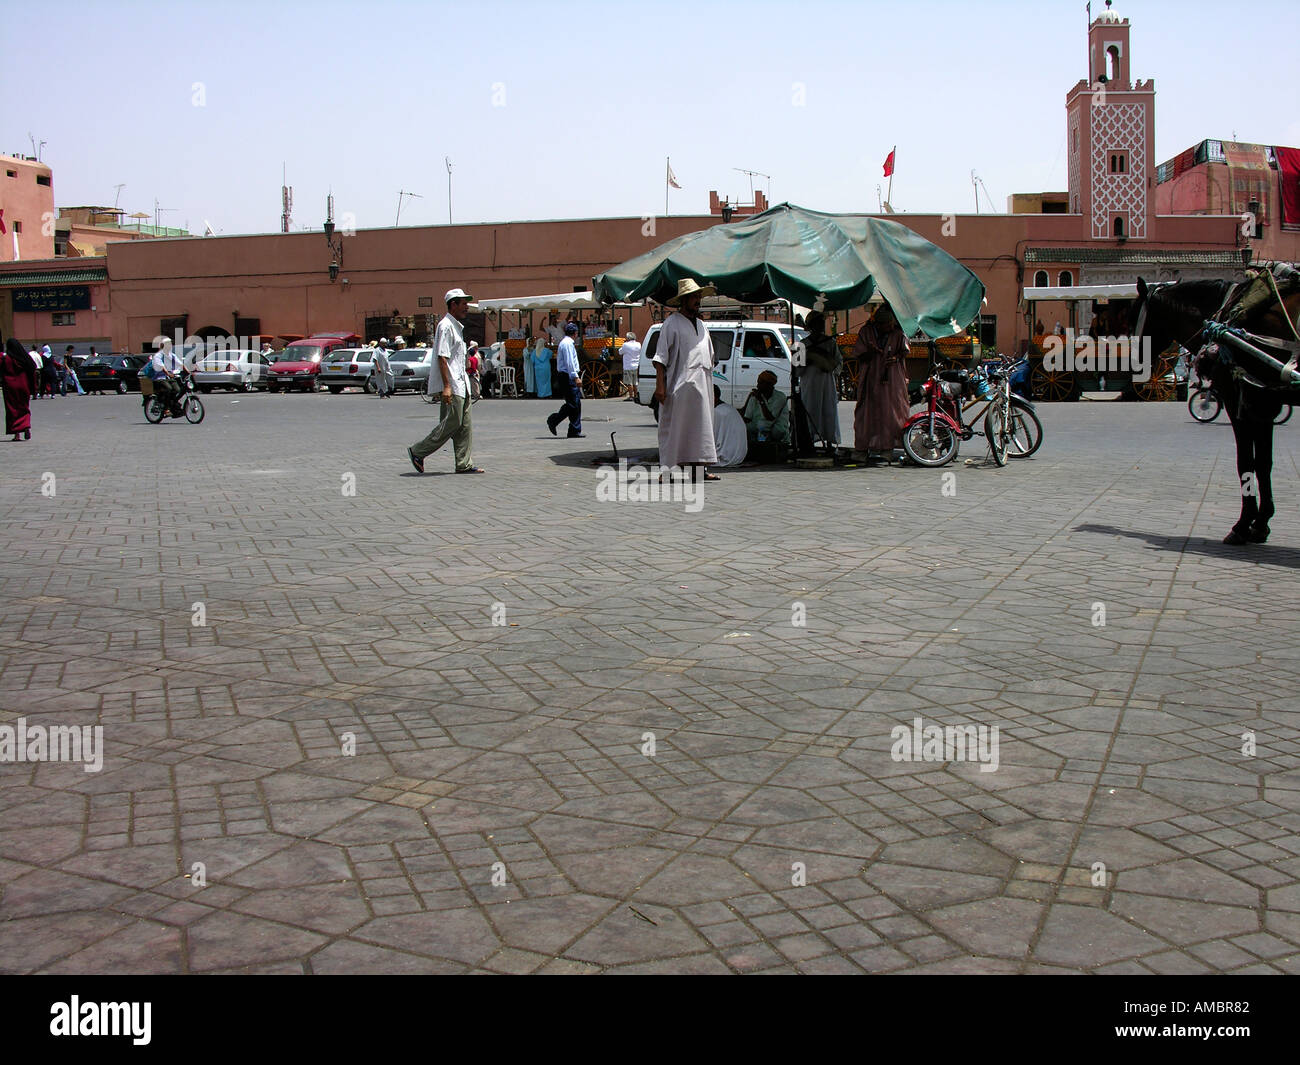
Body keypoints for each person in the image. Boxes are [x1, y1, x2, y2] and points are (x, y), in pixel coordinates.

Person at [407, 288, 484, 474]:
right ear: (453, 305)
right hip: (453, 385)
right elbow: (443, 357)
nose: (466, 307)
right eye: (463, 303)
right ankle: (418, 451)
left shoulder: (456, 326)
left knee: (465, 426)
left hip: (462, 382)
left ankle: (463, 463)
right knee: (451, 423)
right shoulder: (445, 326)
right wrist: (447, 387)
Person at [653, 278, 719, 480]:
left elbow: (709, 357)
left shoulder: (701, 325)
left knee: (700, 429)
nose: (698, 300)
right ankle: (668, 470)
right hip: (679, 385)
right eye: (694, 297)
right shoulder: (671, 323)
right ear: (683, 300)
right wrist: (660, 386)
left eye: (699, 296)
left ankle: (699, 470)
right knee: (674, 428)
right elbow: (660, 358)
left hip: (702, 385)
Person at [851, 301, 910, 463]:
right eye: (886, 325)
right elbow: (859, 354)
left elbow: (903, 352)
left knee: (891, 412)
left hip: (892, 379)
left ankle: (888, 448)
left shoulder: (898, 334)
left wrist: (895, 358)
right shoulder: (866, 332)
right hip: (871, 377)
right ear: (879, 324)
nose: (889, 327)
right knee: (867, 412)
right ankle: (863, 449)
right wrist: (872, 352)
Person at [799, 310, 841, 450]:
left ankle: (829, 442)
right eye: (817, 323)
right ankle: (809, 440)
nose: (821, 325)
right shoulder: (802, 344)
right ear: (811, 325)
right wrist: (809, 360)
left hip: (826, 383)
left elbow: (838, 363)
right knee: (810, 410)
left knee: (828, 411)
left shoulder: (830, 343)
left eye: (822, 322)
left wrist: (828, 364)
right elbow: (796, 368)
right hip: (809, 383)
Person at [742, 370, 791, 462]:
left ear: (769, 385)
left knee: (764, 426)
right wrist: (749, 399)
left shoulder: (780, 397)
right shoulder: (755, 397)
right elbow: (747, 418)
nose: (757, 386)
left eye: (760, 383)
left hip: (776, 429)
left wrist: (761, 400)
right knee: (746, 427)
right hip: (759, 428)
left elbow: (770, 417)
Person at [546, 323, 584, 437]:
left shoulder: (566, 343)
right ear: (575, 333)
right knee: (573, 404)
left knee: (574, 403)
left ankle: (574, 429)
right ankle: (555, 420)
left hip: (566, 375)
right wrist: (575, 376)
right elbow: (569, 362)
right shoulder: (567, 344)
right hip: (567, 376)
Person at [2, 338, 37, 440]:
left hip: (10, 387)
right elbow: (32, 370)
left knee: (12, 409)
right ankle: (25, 426)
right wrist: (33, 388)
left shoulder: (6, 359)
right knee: (24, 407)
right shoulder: (24, 358)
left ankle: (17, 434)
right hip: (23, 386)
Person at [712, 385, 748, 467]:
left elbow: (710, 439)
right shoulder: (729, 408)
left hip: (725, 457)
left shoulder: (717, 412)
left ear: (712, 397)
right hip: (739, 456)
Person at [150, 343, 186, 417]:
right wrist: (168, 373)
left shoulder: (171, 355)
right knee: (168, 388)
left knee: (177, 389)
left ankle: (171, 403)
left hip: (168, 378)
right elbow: (162, 367)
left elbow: (180, 364)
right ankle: (166, 409)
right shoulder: (158, 356)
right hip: (158, 378)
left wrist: (189, 372)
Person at [620, 330, 641, 400]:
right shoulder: (638, 344)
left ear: (628, 338)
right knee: (635, 382)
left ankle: (631, 396)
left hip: (628, 366)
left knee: (629, 382)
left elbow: (620, 352)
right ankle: (636, 395)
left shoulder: (625, 345)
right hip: (636, 365)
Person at [532, 334, 553, 399]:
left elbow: (532, 360)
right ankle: (547, 394)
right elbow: (551, 355)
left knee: (539, 381)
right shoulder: (547, 350)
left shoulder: (534, 351)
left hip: (537, 368)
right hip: (545, 367)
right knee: (547, 381)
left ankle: (540, 394)